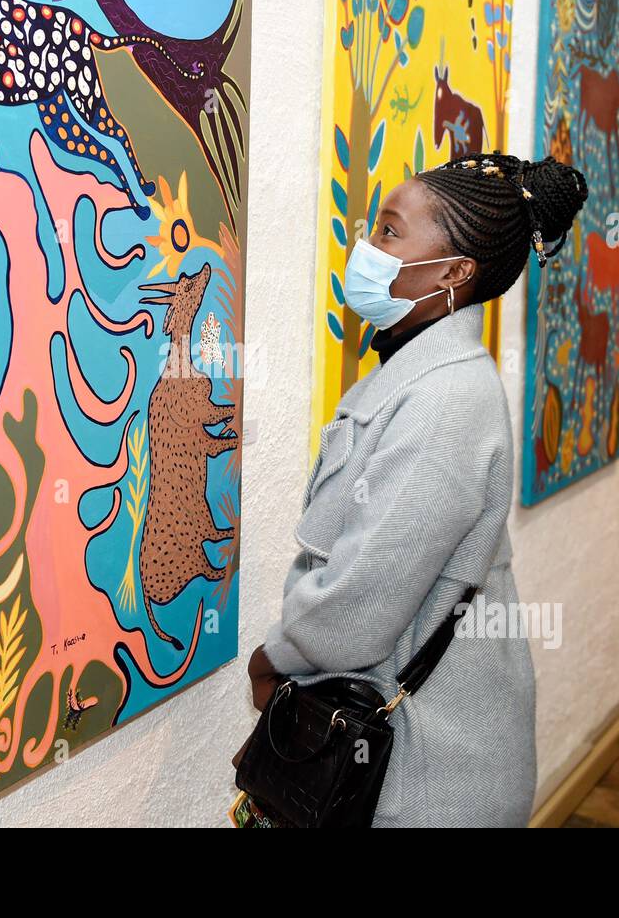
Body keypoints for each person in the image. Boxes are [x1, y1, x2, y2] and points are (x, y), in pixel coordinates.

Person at [248, 152, 588, 827]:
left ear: (456, 272)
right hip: (412, 763)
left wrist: (275, 654)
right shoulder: (418, 373)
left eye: (390, 232)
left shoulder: (447, 400)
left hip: (431, 782)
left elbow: (357, 610)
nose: (366, 248)